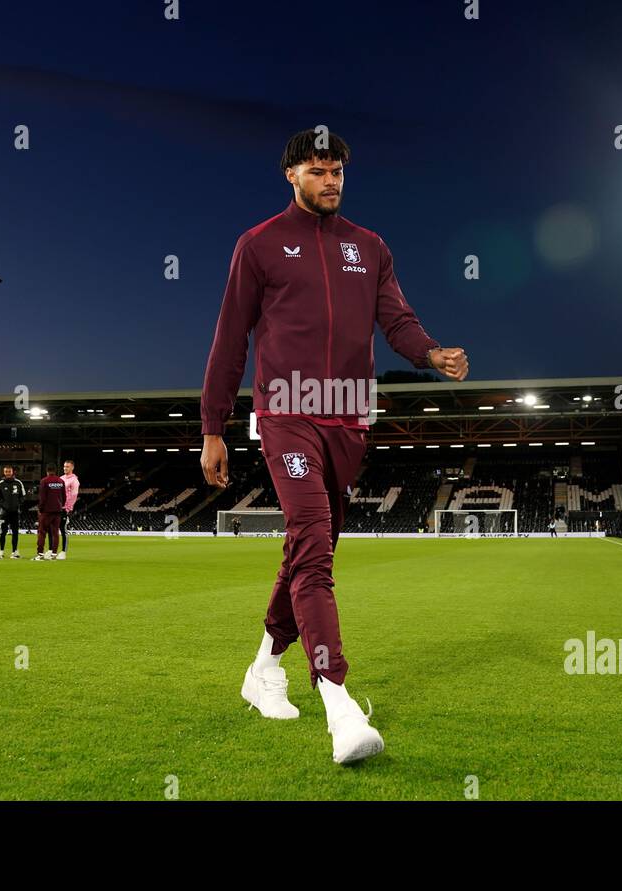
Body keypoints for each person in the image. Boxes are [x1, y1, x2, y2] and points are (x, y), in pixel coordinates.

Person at [200, 129, 467, 765]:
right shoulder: (258, 244)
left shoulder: (369, 248)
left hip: (349, 419)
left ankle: (265, 667)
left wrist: (428, 352)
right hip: (286, 411)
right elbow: (230, 338)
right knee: (315, 546)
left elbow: (396, 319)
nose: (331, 181)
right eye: (318, 171)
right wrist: (213, 426)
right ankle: (339, 704)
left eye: (338, 171)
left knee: (307, 550)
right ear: (290, 175)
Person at [0, 465, 26, 558]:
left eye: (9, 471)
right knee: (2, 532)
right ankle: (1, 552)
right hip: (4, 513)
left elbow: (23, 496)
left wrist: (18, 504)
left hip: (15, 512)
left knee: (15, 532)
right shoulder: (0, 484)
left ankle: (14, 552)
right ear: (4, 472)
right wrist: (4, 505)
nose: (8, 473)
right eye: (6, 471)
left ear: (13, 472)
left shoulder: (18, 483)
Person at [35, 465, 66, 560]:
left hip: (47, 511)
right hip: (58, 510)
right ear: (55, 471)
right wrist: (60, 505)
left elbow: (42, 497)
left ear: (47, 471)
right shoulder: (61, 481)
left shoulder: (44, 481)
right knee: (55, 532)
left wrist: (40, 509)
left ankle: (40, 554)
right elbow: (64, 497)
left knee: (42, 532)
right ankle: (54, 554)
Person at [58, 459, 79, 560]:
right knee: (52, 530)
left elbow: (74, 495)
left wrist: (68, 508)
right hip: (56, 507)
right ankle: (52, 551)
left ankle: (63, 552)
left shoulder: (74, 480)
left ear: (72, 468)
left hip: (64, 508)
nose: (65, 468)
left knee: (63, 530)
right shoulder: (61, 478)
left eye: (67, 467)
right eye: (64, 466)